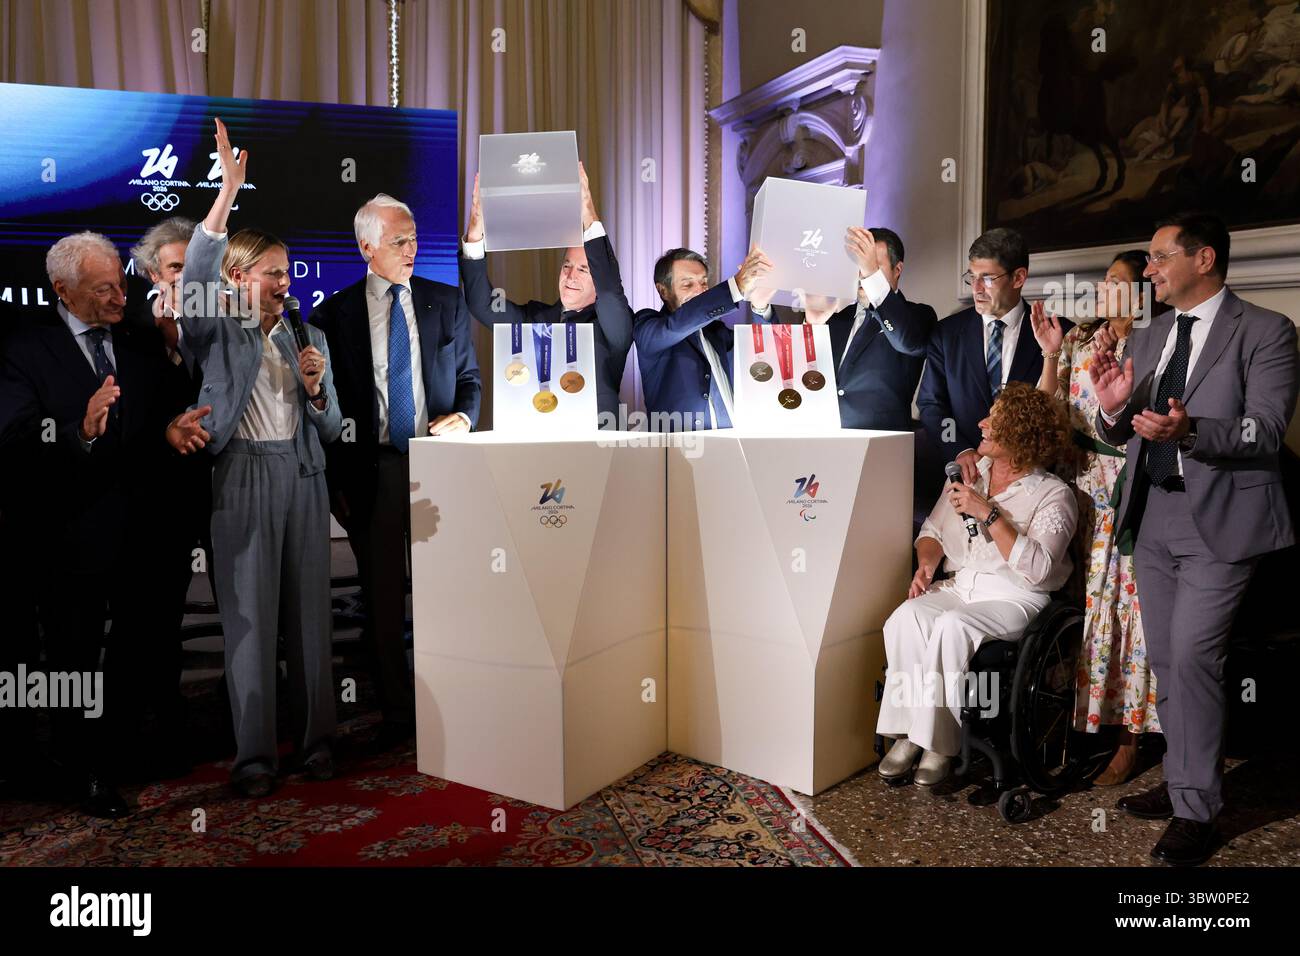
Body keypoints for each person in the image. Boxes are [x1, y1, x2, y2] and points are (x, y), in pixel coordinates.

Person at [1090, 212, 1298, 866]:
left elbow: (1263, 431)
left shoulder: (1266, 331)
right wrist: (1113, 406)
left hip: (1221, 521)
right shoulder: (1150, 337)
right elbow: (1123, 430)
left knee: (1193, 658)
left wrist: (1190, 431)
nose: (1148, 269)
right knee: (1165, 661)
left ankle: (1196, 811)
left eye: (1158, 257)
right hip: (1152, 518)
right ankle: (1187, 784)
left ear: (1203, 259)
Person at [172, 118, 342, 799]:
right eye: (273, 272)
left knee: (310, 622)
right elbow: (192, 282)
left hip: (304, 479)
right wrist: (226, 196)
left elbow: (331, 429)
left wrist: (318, 388)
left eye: (287, 271)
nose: (284, 281)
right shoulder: (217, 327)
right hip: (240, 475)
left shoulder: (311, 333)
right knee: (248, 624)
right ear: (239, 277)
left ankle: (318, 743)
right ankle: (254, 761)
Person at [0, 232, 190, 816]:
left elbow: (163, 411)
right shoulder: (25, 349)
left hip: (144, 534)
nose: (117, 295)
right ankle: (75, 767)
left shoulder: (137, 339)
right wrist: (79, 432)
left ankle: (118, 751)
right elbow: (15, 440)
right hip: (67, 538)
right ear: (62, 290)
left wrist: (170, 430)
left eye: (120, 282)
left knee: (137, 649)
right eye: (103, 287)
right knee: (72, 659)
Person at [312, 193, 481, 741]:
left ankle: (453, 695)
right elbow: (325, 405)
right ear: (367, 248)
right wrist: (338, 483)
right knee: (384, 598)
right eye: (399, 241)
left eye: (414, 238)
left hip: (438, 467)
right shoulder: (332, 316)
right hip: (374, 470)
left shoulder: (445, 302)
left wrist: (464, 417)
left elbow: (470, 382)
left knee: (448, 590)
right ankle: (399, 713)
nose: (412, 249)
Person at [876, 382, 1076, 787]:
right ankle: (907, 734)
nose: (980, 424)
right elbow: (932, 529)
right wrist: (927, 567)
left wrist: (989, 514)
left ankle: (937, 744)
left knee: (953, 627)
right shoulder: (972, 473)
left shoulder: (1054, 495)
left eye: (994, 421)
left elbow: (1038, 569)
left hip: (1017, 595)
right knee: (906, 617)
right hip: (962, 584)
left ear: (1019, 435)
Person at [1031, 250, 1160, 787]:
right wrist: (1050, 355)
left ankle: (1131, 737)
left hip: (1124, 494)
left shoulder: (1156, 345)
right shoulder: (1081, 338)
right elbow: (1044, 411)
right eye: (1103, 281)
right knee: (1076, 606)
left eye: (1115, 282)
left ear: (1141, 294)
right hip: (1074, 492)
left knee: (1125, 616)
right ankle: (1077, 720)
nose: (1102, 290)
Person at [460, 165, 632, 424]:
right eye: (567, 265)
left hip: (598, 446)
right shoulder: (535, 317)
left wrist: (587, 211)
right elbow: (482, 304)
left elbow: (609, 291)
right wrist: (475, 232)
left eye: (584, 269)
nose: (570, 275)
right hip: (539, 442)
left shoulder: (613, 326)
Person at [918, 227, 1068, 490]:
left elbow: (1061, 414)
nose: (976, 288)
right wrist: (959, 448)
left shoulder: (1060, 332)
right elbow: (931, 404)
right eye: (972, 277)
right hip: (965, 478)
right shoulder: (946, 333)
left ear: (1018, 277)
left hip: (1033, 481)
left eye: (987, 278)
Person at [798, 226, 935, 431]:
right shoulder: (834, 315)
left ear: (897, 270)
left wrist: (872, 278)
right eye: (858, 266)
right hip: (820, 433)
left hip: (881, 441)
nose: (862, 274)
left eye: (873, 266)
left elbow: (907, 342)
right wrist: (812, 324)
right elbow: (800, 369)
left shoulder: (918, 315)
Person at [634, 245, 772, 430]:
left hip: (733, 444)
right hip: (681, 450)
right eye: (688, 284)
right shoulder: (650, 324)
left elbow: (762, 351)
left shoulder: (717, 332)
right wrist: (735, 287)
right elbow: (675, 327)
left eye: (704, 283)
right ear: (663, 291)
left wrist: (760, 305)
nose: (700, 291)